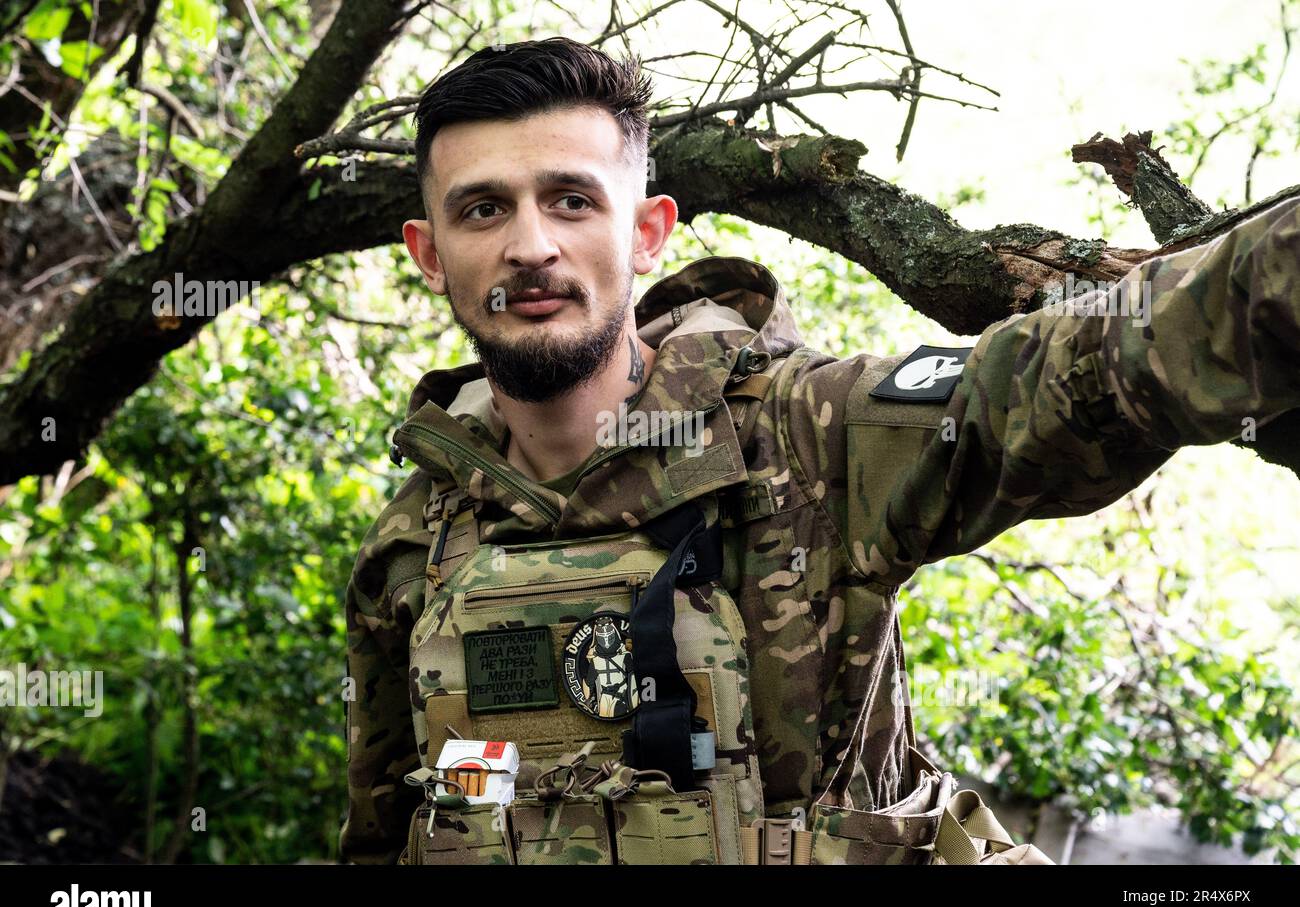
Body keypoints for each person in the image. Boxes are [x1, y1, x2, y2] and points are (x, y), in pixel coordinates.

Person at [340, 37, 1300, 864]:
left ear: (646, 234)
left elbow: (1063, 376)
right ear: (429, 254)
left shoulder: (807, 437)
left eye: (572, 201)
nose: (531, 246)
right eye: (483, 210)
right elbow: (384, 839)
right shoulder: (418, 540)